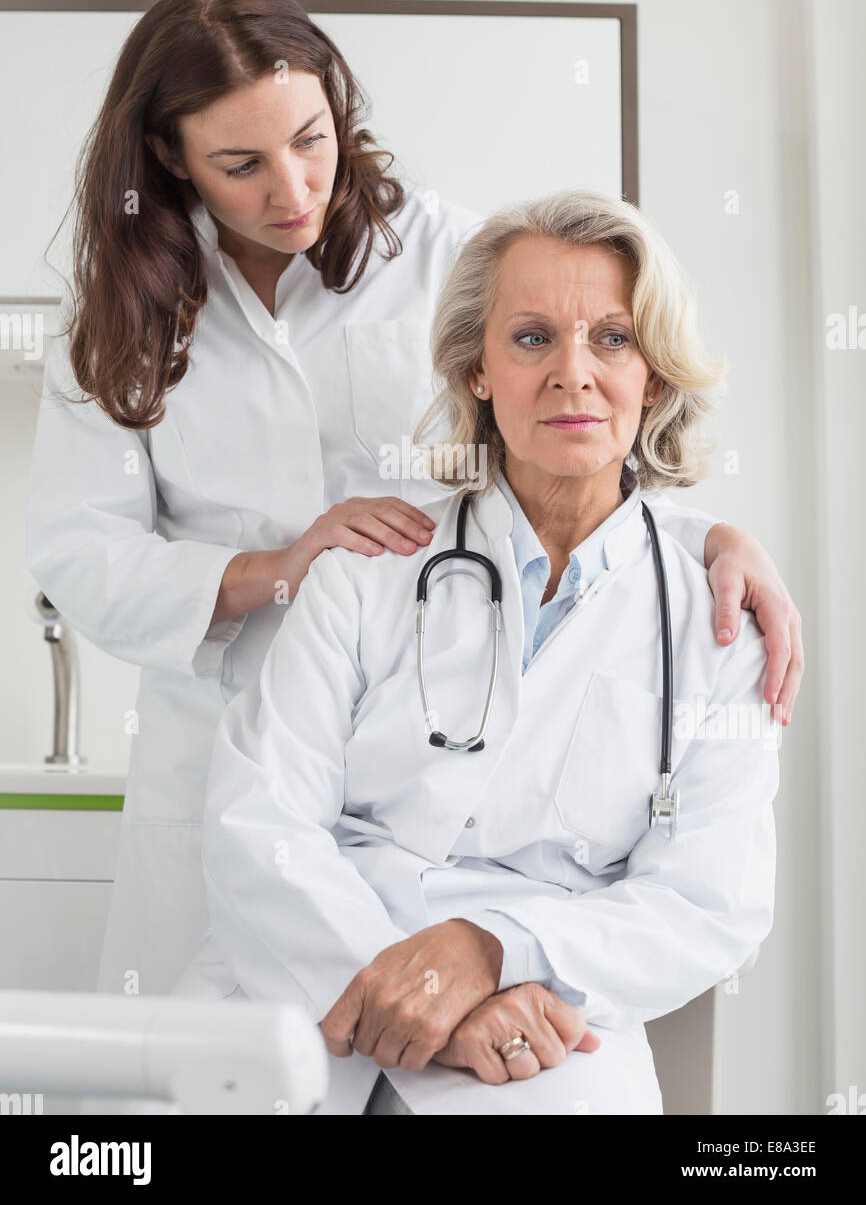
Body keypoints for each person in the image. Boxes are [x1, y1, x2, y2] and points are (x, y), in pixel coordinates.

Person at [26, 0, 800, 1009]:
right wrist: (277, 568)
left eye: (310, 139)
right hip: (219, 737)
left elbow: (565, 419)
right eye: (241, 164)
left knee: (416, 1005)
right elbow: (79, 549)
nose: (293, 191)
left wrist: (704, 537)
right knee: (215, 1059)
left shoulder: (438, 252)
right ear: (170, 158)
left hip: (399, 737)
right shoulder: (120, 309)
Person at [187, 191, 782, 1115]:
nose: (573, 374)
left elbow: (711, 899)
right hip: (311, 972)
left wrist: (494, 949)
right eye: (533, 338)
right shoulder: (371, 567)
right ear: (477, 369)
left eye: (614, 340)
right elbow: (257, 817)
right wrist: (405, 987)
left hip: (547, 1016)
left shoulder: (716, 622)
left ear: (654, 377)